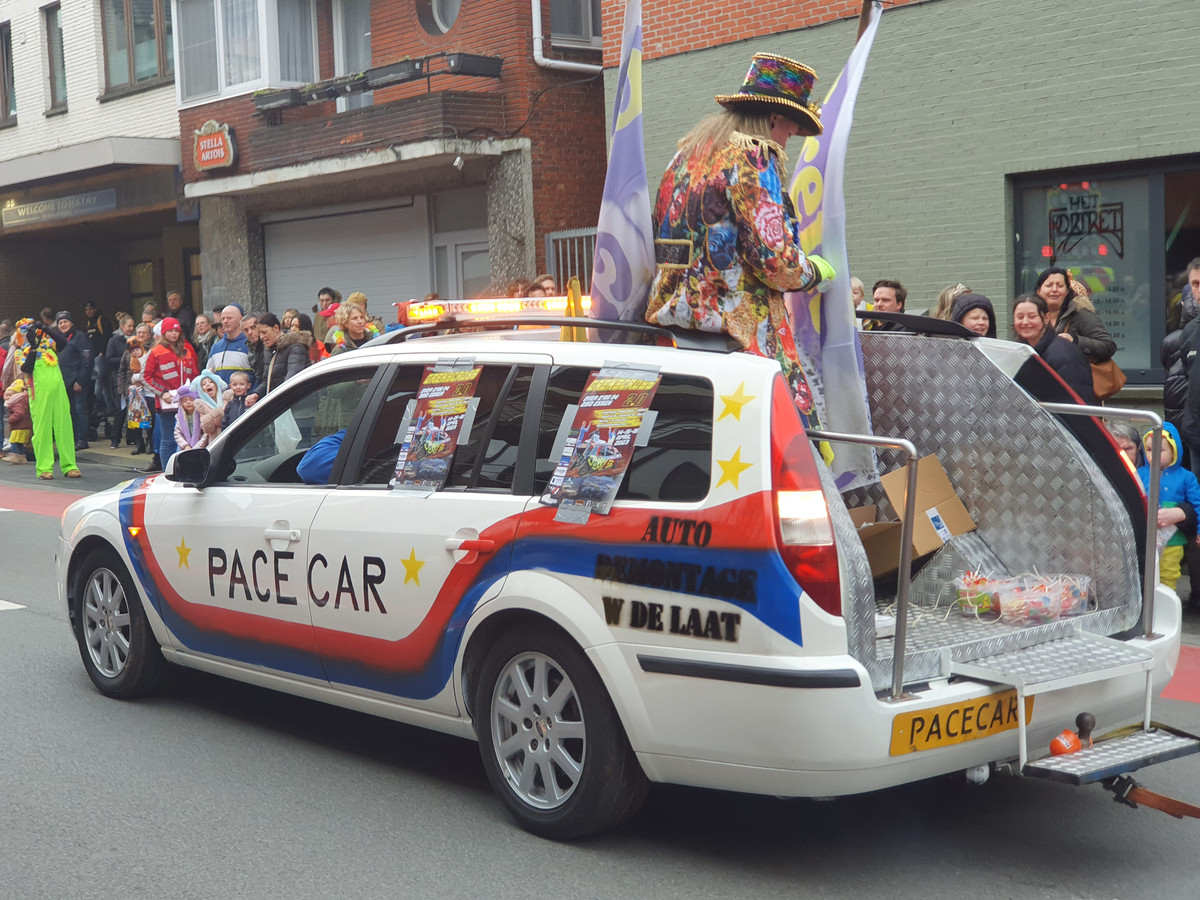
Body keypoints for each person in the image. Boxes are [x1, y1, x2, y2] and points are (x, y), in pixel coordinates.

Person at [645, 52, 834, 423]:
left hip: (674, 330)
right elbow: (774, 260)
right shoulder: (753, 157)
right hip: (739, 334)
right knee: (793, 440)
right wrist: (813, 271)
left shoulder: (686, 155)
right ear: (774, 118)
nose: (788, 140)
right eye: (790, 131)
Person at [1136, 423, 1200, 591]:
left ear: (1174, 450)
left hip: (1173, 539)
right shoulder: (1140, 473)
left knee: (1169, 573)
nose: (1153, 456)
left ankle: (1166, 601)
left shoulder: (1186, 477)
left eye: (1160, 450)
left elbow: (1198, 504)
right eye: (1149, 450)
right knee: (1146, 572)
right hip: (1146, 538)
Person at [17, 319, 80, 479]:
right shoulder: (21, 352)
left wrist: (45, 328)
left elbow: (63, 343)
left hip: (58, 393)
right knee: (42, 431)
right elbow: (27, 368)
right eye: (25, 331)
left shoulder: (49, 347)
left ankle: (69, 465)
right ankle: (44, 468)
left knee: (64, 428)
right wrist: (32, 347)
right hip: (39, 395)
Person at [1012, 293, 1096, 403]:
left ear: (1047, 318)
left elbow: (1077, 400)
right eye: (1020, 317)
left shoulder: (1064, 354)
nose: (1025, 322)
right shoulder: (1021, 352)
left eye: (1032, 316)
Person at [141, 316, 200, 468]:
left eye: (176, 331)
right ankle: (167, 471)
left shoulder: (186, 351)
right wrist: (162, 392)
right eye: (170, 331)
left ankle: (183, 468)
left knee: (187, 437)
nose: (174, 334)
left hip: (186, 401)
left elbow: (194, 374)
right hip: (166, 401)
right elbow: (145, 376)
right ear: (164, 333)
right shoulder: (155, 351)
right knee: (168, 439)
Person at [1035, 266, 1116, 364]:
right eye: (1049, 285)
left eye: (1060, 285)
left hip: (1071, 376)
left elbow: (1108, 345)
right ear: (1039, 291)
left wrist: (1075, 340)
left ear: (1067, 291)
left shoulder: (1080, 314)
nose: (1054, 289)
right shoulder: (1032, 316)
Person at [247, 312, 312, 406]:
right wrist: (256, 394)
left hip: (298, 408)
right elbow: (267, 380)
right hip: (280, 406)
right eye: (259, 333)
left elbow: (292, 378)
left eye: (264, 332)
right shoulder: (269, 350)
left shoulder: (295, 347)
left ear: (276, 328)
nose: (261, 337)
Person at [53, 311, 93, 450]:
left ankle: (82, 439)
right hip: (64, 382)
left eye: (65, 321)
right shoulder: (58, 339)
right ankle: (73, 437)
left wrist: (81, 380)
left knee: (79, 410)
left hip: (77, 382)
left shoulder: (80, 337)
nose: (63, 324)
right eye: (60, 322)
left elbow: (86, 360)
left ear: (72, 323)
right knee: (69, 411)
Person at [121, 336, 154, 455]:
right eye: (133, 351)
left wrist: (139, 378)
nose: (136, 352)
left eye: (137, 349)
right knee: (136, 419)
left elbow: (147, 375)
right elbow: (131, 375)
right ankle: (139, 444)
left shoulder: (149, 357)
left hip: (149, 392)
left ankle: (150, 442)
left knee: (150, 419)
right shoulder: (132, 361)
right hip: (136, 393)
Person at [104, 315, 134, 448]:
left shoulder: (135, 340)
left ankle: (132, 438)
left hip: (133, 379)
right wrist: (125, 359)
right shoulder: (114, 340)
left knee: (133, 409)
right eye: (129, 326)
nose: (131, 328)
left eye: (133, 326)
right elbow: (109, 359)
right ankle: (115, 438)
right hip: (119, 379)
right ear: (122, 326)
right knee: (120, 409)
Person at [207, 304, 253, 386]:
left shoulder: (250, 344)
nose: (225, 321)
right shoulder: (216, 347)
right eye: (223, 318)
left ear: (241, 319)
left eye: (229, 318)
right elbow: (208, 375)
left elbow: (258, 376)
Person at [3, 376, 32, 464]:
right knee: (20, 443)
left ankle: (15, 455)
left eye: (10, 395)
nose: (7, 397)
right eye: (6, 395)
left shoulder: (17, 401)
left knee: (14, 441)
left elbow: (20, 413)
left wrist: (11, 419)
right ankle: (22, 456)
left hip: (20, 426)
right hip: (21, 426)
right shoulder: (18, 400)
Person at [173, 385, 209, 451]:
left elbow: (206, 433)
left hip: (201, 448)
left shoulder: (202, 415)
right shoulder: (179, 418)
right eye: (185, 401)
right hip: (186, 448)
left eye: (192, 399)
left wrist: (196, 448)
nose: (188, 402)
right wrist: (185, 446)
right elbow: (177, 433)